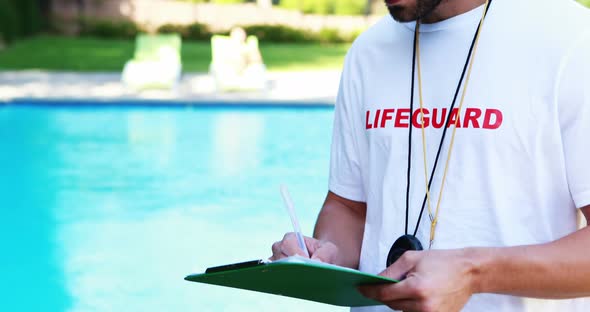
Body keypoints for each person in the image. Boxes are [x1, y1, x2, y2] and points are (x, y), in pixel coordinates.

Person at [270, 0, 590, 311]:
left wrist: (474, 272)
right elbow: (349, 207)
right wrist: (327, 255)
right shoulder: (368, 51)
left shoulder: (570, 39)